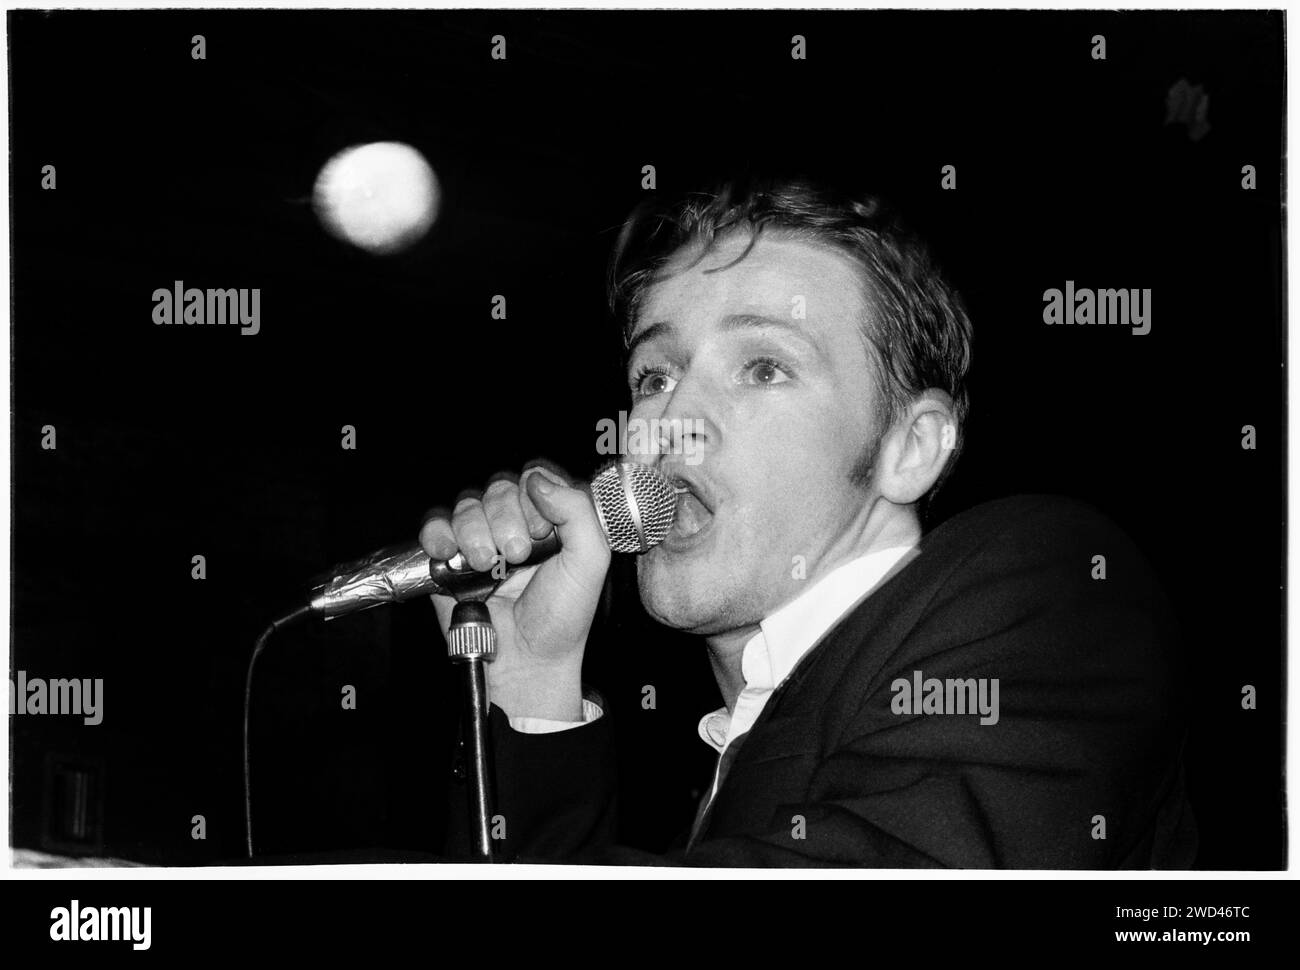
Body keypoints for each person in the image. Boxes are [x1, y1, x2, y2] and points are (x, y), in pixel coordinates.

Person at [419, 177, 1197, 867]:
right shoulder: (730, 768)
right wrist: (530, 686)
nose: (668, 420)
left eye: (764, 366)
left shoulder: (1048, 582)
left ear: (910, 448)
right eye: (654, 375)